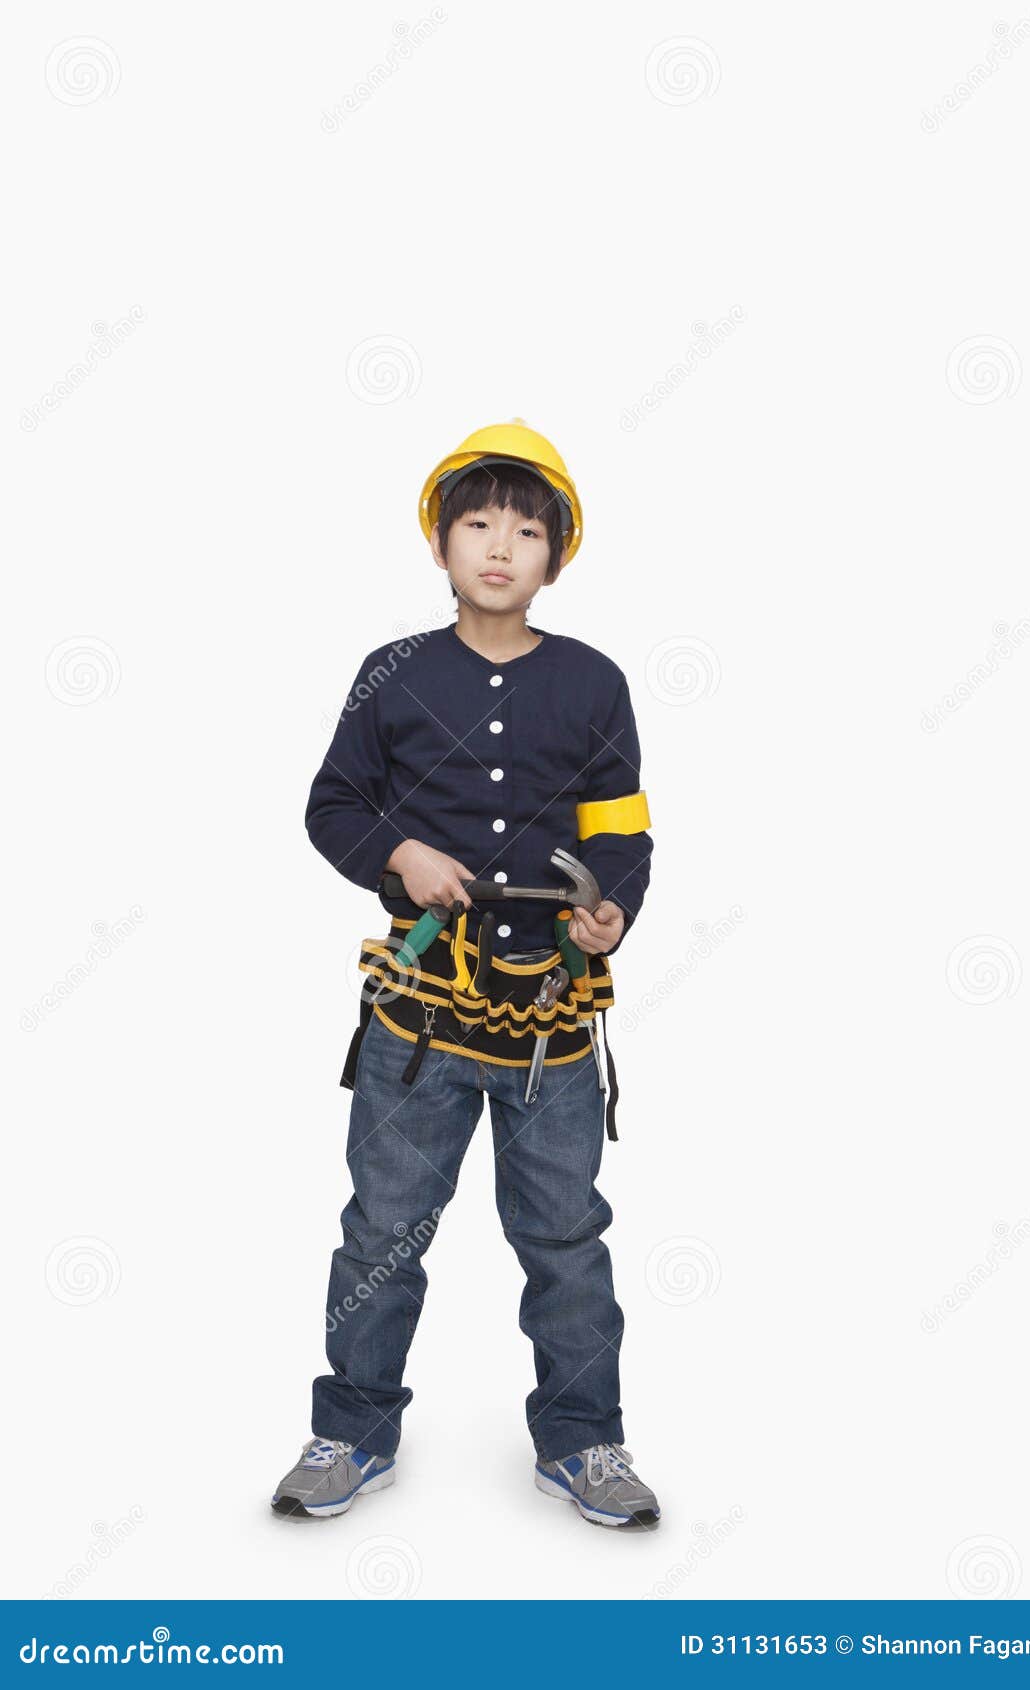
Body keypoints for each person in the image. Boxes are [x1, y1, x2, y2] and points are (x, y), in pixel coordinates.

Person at [272, 421, 658, 1528]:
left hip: (550, 1021)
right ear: (440, 543)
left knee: (565, 1240)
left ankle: (584, 1444)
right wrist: (398, 852)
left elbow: (622, 833)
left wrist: (610, 910)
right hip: (415, 1015)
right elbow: (331, 806)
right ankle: (348, 1433)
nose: (498, 546)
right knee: (380, 1230)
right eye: (476, 523)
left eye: (524, 529)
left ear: (556, 554)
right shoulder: (388, 673)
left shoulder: (595, 682)